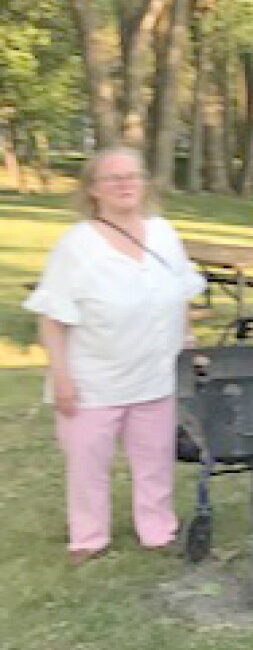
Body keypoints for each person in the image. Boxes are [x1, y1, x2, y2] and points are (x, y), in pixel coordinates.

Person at [26, 147, 204, 562]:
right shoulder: (77, 245)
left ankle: (158, 529)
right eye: (113, 179)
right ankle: (89, 537)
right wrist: (62, 375)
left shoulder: (163, 233)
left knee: (155, 458)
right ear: (94, 190)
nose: (125, 185)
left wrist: (189, 343)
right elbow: (52, 318)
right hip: (94, 379)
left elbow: (181, 295)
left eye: (133, 176)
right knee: (87, 464)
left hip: (155, 373)